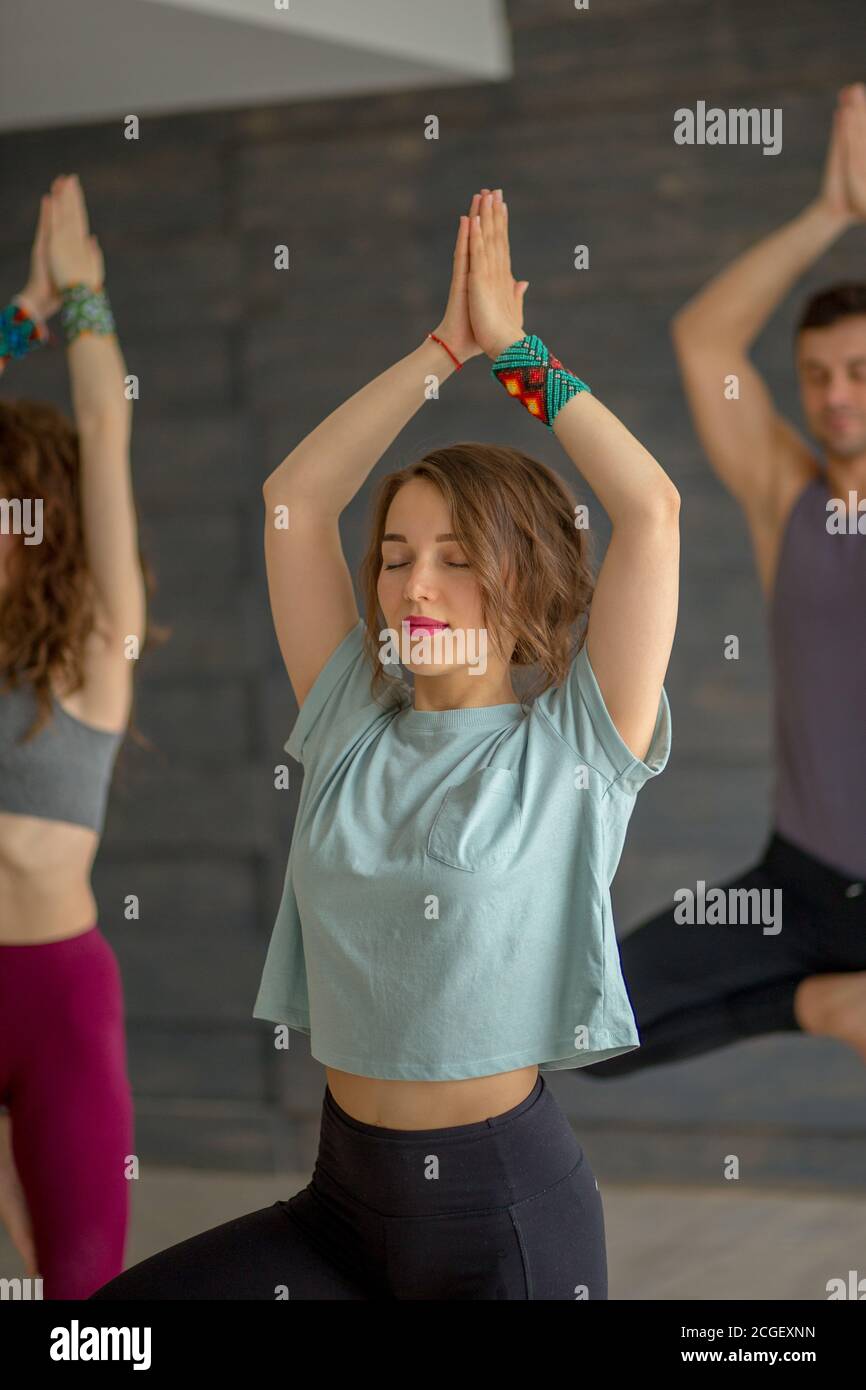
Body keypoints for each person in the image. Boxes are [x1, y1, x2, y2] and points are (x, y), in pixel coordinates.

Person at [90, 186, 677, 1301]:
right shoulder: (354, 714)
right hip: (339, 1201)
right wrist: (438, 350)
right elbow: (291, 501)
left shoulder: (576, 742)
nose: (412, 581)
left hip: (500, 1214)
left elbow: (649, 508)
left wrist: (516, 358)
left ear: (523, 577)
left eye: (456, 555)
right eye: (396, 552)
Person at [582, 83, 866, 1085]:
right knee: (591, 1025)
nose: (833, 395)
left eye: (858, 372)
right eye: (818, 373)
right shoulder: (782, 494)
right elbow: (705, 339)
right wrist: (827, 213)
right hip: (798, 885)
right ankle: (816, 1002)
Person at [0, 175, 152, 1298]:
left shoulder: (95, 644)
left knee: (82, 1293)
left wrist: (84, 304)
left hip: (55, 996)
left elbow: (104, 425)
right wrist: (20, 313)